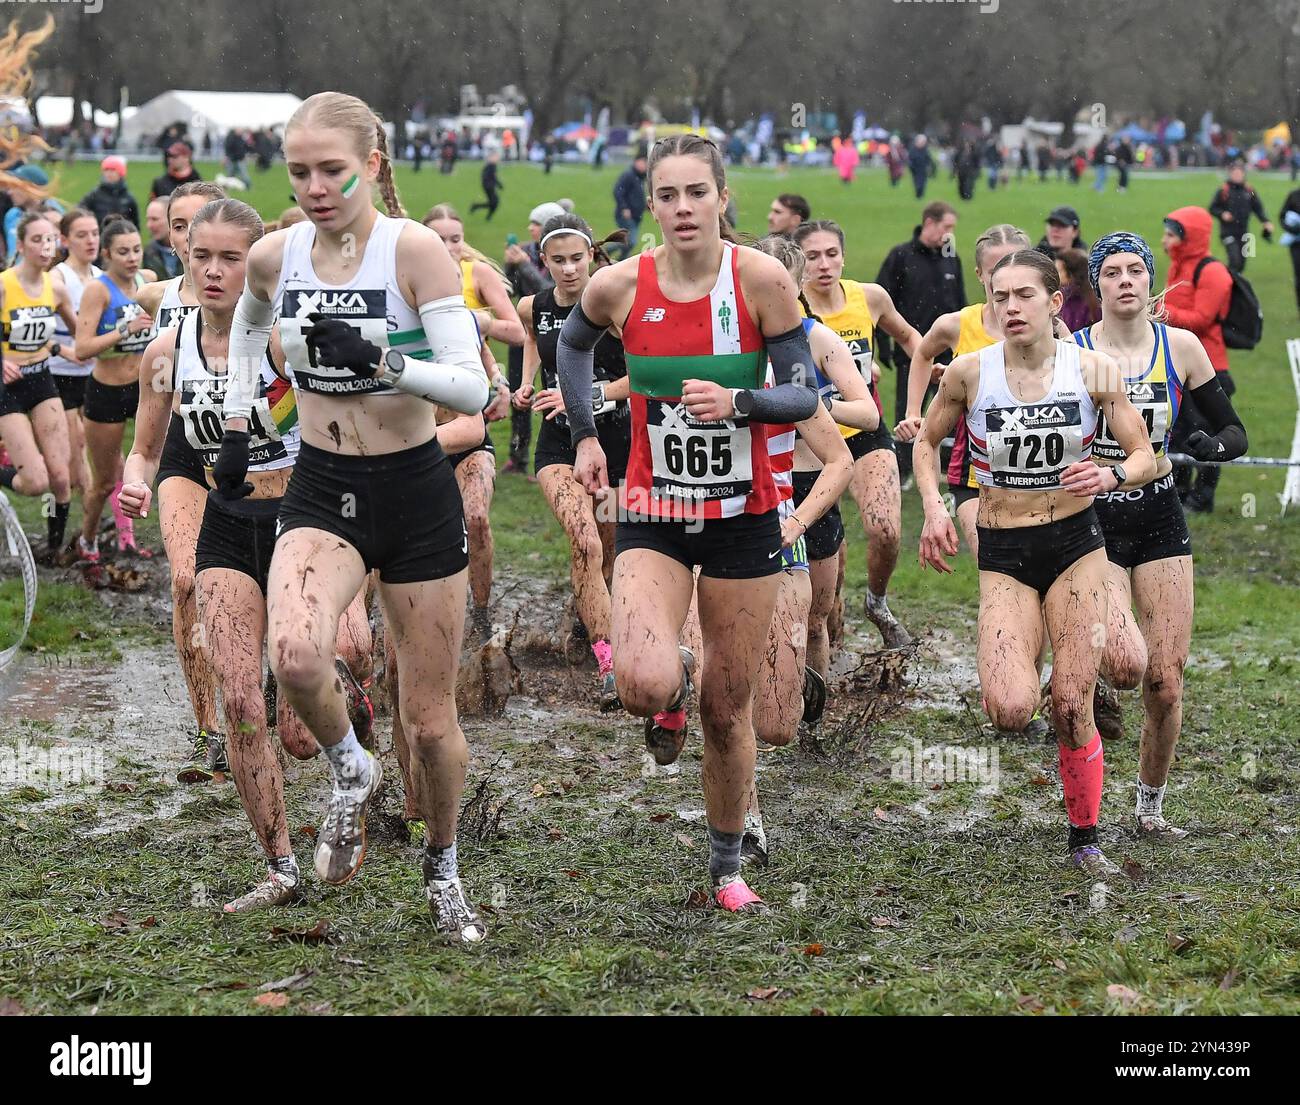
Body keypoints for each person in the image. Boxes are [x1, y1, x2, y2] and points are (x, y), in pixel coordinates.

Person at [215, 91, 490, 940]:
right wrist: (236, 419)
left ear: (372, 164)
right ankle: (349, 769)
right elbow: (242, 331)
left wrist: (382, 359)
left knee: (429, 716)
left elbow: (473, 387)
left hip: (413, 488)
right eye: (298, 172)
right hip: (322, 483)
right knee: (295, 651)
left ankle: (442, 869)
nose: (314, 187)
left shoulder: (413, 255)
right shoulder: (275, 255)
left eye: (332, 169)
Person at [557, 134, 820, 912]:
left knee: (727, 707)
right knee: (641, 679)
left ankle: (727, 867)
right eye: (666, 195)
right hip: (656, 511)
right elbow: (573, 352)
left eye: (695, 194)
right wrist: (580, 432)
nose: (682, 209)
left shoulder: (763, 279)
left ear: (721, 197)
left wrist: (740, 401)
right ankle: (664, 694)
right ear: (650, 204)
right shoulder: (618, 286)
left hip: (745, 519)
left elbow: (805, 394)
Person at [120, 197, 374, 909]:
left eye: (232, 257)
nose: (214, 270)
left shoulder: (284, 342)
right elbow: (144, 452)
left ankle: (351, 757)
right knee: (239, 700)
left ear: (257, 262)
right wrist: (134, 486)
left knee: (298, 735)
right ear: (183, 257)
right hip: (228, 528)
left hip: (304, 521)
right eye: (201, 255)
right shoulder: (166, 355)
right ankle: (282, 867)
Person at [915, 248, 1156, 875]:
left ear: (1055, 303)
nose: (1011, 307)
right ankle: (1066, 654)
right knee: (1011, 707)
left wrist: (1108, 475)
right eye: (1001, 297)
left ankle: (1085, 839)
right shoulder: (969, 373)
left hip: (1076, 546)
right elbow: (926, 442)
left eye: (1025, 295)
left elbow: (1145, 456)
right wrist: (936, 509)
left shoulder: (1094, 369)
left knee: (1071, 706)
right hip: (1003, 551)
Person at [1074, 232, 1247, 836]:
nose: (1126, 281)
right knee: (1122, 663)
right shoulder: (1069, 351)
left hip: (1158, 513)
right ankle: (1078, 676)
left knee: (1166, 683)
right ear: (1096, 285)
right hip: (1090, 519)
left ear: (1152, 281)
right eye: (1113, 272)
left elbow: (1234, 431)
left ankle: (1149, 807)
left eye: (1136, 271)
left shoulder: (1183, 347)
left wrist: (1211, 445)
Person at [743, 233, 856, 863]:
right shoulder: (692, 347)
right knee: (722, 687)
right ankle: (743, 817)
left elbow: (839, 457)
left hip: (776, 525)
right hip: (697, 532)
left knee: (779, 722)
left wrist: (795, 521)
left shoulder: (795, 366)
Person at [513, 213, 632, 707]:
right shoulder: (532, 305)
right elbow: (531, 339)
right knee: (586, 543)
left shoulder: (616, 306)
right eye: (557, 261)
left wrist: (586, 396)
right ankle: (608, 664)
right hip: (558, 448)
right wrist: (526, 382)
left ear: (591, 257)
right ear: (544, 261)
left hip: (619, 444)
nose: (567, 270)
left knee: (608, 552)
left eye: (576, 259)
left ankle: (587, 617)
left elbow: (645, 377)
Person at [797, 219, 920, 649]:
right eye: (812, 256)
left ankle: (878, 602)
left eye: (831, 254)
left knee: (886, 529)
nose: (824, 264)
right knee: (832, 562)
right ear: (798, 263)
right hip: (812, 441)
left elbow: (909, 338)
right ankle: (829, 638)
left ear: (844, 256)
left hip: (865, 429)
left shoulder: (868, 297)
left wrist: (928, 379)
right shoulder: (791, 310)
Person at [423, 203, 521, 641]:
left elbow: (506, 333)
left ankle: (480, 615)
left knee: (477, 517)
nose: (448, 247)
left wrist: (498, 380)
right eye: (438, 238)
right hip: (412, 434)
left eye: (455, 238)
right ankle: (373, 625)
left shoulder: (474, 276)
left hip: (465, 430)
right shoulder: (408, 285)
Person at [72, 218, 156, 563]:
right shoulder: (99, 290)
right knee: (105, 482)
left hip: (144, 388)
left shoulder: (149, 282)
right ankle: (87, 541)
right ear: (106, 253)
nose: (132, 257)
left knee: (149, 467)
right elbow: (82, 348)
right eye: (123, 252)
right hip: (106, 392)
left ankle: (126, 538)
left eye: (136, 249)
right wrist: (126, 328)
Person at [0, 213, 75, 558]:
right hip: (7, 388)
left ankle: (53, 549)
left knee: (60, 478)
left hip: (42, 380)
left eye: (50, 240)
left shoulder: (55, 288)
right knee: (36, 482)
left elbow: (81, 333)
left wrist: (123, 334)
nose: (45, 247)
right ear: (21, 245)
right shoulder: (4, 286)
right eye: (36, 240)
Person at [874, 201, 966, 482]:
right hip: (912, 352)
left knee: (949, 410)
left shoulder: (952, 257)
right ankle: (902, 469)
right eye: (946, 227)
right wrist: (886, 344)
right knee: (908, 409)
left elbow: (961, 303)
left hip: (949, 352)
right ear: (928, 223)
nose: (950, 234)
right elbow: (883, 301)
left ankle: (943, 466)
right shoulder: (901, 256)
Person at [1160, 206, 1234, 513]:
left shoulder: (1212, 271)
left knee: (1204, 435)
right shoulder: (1177, 267)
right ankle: (1179, 492)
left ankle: (1202, 499)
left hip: (1208, 368)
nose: (1164, 241)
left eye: (1170, 235)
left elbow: (1203, 319)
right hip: (1178, 366)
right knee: (1176, 432)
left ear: (1189, 238)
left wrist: (1163, 314)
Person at [502, 202, 565, 473]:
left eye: (536, 223)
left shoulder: (562, 256)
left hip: (557, 337)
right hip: (526, 335)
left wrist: (526, 267)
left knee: (559, 398)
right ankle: (518, 457)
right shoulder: (526, 251)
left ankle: (562, 457)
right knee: (520, 395)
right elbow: (511, 290)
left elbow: (551, 292)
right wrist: (510, 265)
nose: (530, 228)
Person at [47, 209, 101, 518]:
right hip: (60, 377)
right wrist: (64, 351)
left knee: (104, 453)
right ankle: (78, 526)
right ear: (65, 240)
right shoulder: (57, 278)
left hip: (94, 376)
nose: (91, 240)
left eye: (94, 233)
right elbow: (36, 329)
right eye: (82, 235)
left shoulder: (101, 277)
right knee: (75, 449)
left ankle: (113, 530)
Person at [1208, 160, 1273, 274]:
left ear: (1243, 174)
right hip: (1228, 231)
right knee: (1234, 260)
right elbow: (1213, 207)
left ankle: (1234, 282)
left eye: (1239, 173)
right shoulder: (1224, 190)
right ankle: (1228, 282)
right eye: (1234, 173)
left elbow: (1257, 207)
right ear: (1230, 174)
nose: (1237, 176)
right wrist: (1222, 214)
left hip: (1244, 231)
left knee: (1242, 263)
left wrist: (1266, 221)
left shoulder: (1249, 190)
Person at [78, 157, 140, 235]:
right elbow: (80, 211)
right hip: (100, 238)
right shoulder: (94, 195)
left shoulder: (128, 198)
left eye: (113, 170)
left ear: (121, 173)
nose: (109, 173)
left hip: (122, 238)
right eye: (106, 170)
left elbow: (136, 224)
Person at [1055, 247, 1101, 332]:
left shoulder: (1084, 303)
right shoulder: (1095, 298)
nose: (1055, 275)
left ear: (1071, 274)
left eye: (1059, 271)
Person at [612, 152, 647, 260]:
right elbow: (618, 191)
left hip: (636, 216)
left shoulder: (641, 178)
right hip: (627, 215)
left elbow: (637, 197)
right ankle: (606, 250)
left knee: (628, 241)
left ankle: (620, 261)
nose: (645, 166)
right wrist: (624, 208)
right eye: (643, 162)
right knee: (631, 241)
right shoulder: (629, 175)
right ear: (636, 162)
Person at [141, 198, 180, 280]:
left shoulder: (190, 250)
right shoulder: (148, 253)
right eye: (148, 219)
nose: (149, 225)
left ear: (171, 219)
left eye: (155, 219)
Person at [1281, 184, 1300, 318]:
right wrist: (1292, 229)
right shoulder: (1293, 196)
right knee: (1299, 275)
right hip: (1296, 244)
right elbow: (1282, 217)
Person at [469, 151, 502, 220]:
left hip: (488, 186)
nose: (498, 159)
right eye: (496, 157)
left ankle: (477, 207)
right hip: (489, 186)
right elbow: (492, 177)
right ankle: (479, 209)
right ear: (491, 158)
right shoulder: (491, 165)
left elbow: (489, 176)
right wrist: (498, 184)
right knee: (494, 202)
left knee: (493, 202)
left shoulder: (490, 165)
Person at [908, 135, 934, 199]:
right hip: (915, 170)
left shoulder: (925, 151)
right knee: (917, 184)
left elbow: (929, 160)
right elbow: (910, 160)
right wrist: (912, 167)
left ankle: (921, 195)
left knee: (923, 184)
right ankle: (918, 195)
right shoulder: (913, 150)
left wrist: (929, 167)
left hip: (923, 170)